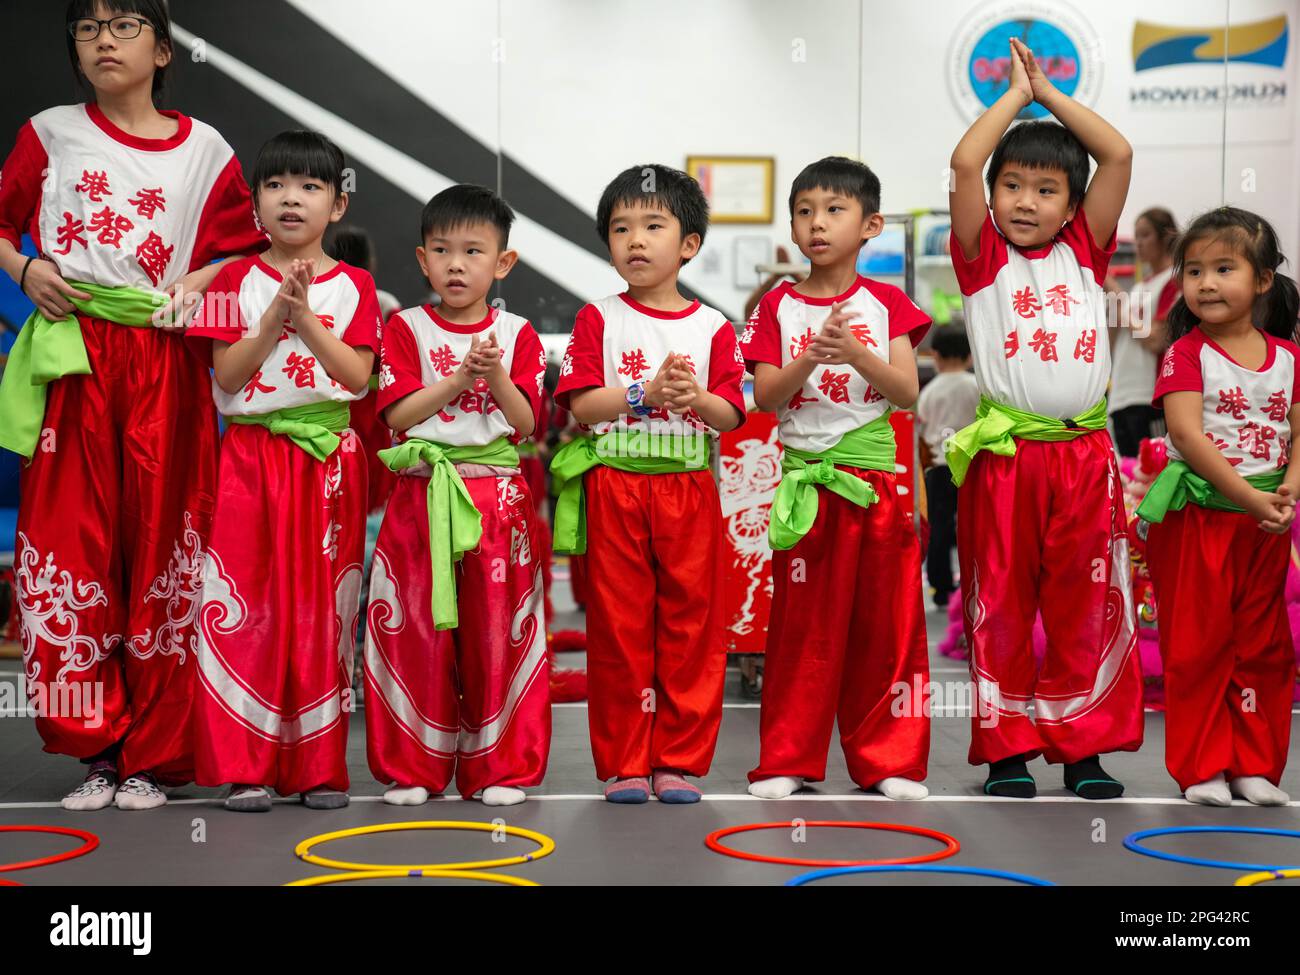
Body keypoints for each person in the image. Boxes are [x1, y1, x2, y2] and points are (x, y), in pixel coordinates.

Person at [0, 0, 266, 811]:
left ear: (163, 49)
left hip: (164, 365)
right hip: (77, 355)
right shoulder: (47, 132)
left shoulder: (206, 149)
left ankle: (153, 753)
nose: (104, 41)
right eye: (87, 29)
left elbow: (245, 255)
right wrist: (20, 269)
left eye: (123, 26)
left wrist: (201, 280)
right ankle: (96, 753)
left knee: (167, 546)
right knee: (70, 544)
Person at [946, 37, 1143, 799]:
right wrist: (1012, 98)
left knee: (1081, 602)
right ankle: (1005, 753)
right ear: (994, 196)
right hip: (1007, 458)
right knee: (1000, 603)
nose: (1027, 202)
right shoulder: (981, 254)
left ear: (1073, 203)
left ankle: (1083, 748)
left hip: (1085, 457)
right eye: (1014, 186)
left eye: (1048, 189)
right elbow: (966, 163)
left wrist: (1049, 96)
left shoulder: (1087, 251)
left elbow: (1117, 154)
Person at [188, 130, 379, 812]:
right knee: (248, 606)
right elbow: (225, 376)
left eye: (309, 186)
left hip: (328, 461)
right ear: (255, 201)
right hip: (247, 457)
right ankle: (247, 765)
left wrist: (309, 320)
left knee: (325, 610)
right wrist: (273, 317)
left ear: (337, 204)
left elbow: (357, 378)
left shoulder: (356, 283)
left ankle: (319, 765)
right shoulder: (229, 279)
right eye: (275, 186)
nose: (291, 199)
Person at [552, 163, 745, 804]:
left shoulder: (715, 326)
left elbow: (732, 414)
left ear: (688, 244)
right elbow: (579, 405)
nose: (635, 240)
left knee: (691, 626)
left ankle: (679, 761)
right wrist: (643, 393)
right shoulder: (596, 319)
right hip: (615, 485)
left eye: (653, 226)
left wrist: (694, 398)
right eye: (621, 228)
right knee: (619, 625)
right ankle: (627, 761)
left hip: (687, 487)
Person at [740, 156, 932, 800]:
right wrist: (809, 359)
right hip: (806, 489)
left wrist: (855, 353)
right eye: (804, 211)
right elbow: (767, 397)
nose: (817, 223)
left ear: (871, 224)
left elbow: (905, 391)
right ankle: (787, 758)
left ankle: (890, 762)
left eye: (833, 210)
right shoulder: (777, 306)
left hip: (875, 484)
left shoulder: (887, 304)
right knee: (802, 631)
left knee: (886, 627)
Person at [363, 184, 550, 807]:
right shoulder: (403, 327)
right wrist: (461, 377)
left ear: (503, 263)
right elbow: (398, 416)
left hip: (497, 501)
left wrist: (493, 372)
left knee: (497, 633)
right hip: (421, 496)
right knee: (415, 629)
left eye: (474, 251)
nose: (456, 264)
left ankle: (499, 768)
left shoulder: (518, 334)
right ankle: (413, 767)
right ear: (422, 260)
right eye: (442, 250)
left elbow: (525, 424)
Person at [1137, 206, 1299, 807]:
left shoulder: (1290, 356)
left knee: (1263, 644)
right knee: (1198, 643)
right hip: (1201, 517)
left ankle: (1255, 765)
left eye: (1223, 268)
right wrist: (1253, 497)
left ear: (1262, 280)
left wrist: (1289, 490)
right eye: (1193, 271)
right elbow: (1186, 436)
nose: (1205, 283)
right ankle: (1202, 766)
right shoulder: (1186, 354)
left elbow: (1297, 430)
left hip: (1265, 522)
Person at [915, 328, 979, 607]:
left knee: (939, 528)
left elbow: (922, 426)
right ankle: (976, 581)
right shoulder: (976, 386)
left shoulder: (929, 391)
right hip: (972, 464)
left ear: (936, 356)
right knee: (974, 525)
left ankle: (941, 587)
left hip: (939, 467)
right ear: (969, 356)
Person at [1108, 207, 1178, 457]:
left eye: (1145, 235)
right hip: (1121, 395)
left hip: (1149, 395)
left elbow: (1155, 339)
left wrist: (1116, 295)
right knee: (1129, 479)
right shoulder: (1139, 287)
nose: (1138, 242)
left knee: (1153, 475)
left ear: (1165, 237)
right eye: (1136, 236)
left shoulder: (1174, 280)